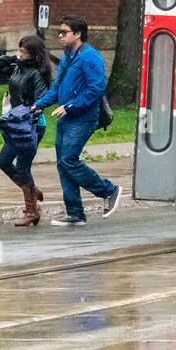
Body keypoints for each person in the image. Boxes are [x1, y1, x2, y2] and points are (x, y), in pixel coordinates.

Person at [33, 15, 121, 226]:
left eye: (64, 32)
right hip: (66, 118)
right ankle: (75, 213)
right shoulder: (66, 58)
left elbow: (96, 89)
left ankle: (109, 190)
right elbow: (56, 89)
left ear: (78, 34)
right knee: (63, 165)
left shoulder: (90, 58)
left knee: (69, 160)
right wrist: (38, 105)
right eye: (59, 32)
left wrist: (71, 106)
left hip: (83, 118)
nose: (60, 36)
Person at [0, 35, 52, 226]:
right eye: (19, 50)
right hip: (15, 123)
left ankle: (32, 210)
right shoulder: (18, 67)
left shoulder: (37, 73)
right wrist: (11, 58)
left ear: (34, 54)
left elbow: (42, 98)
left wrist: (28, 109)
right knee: (4, 161)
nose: (20, 53)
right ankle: (32, 191)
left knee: (23, 166)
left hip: (31, 124)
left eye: (24, 51)